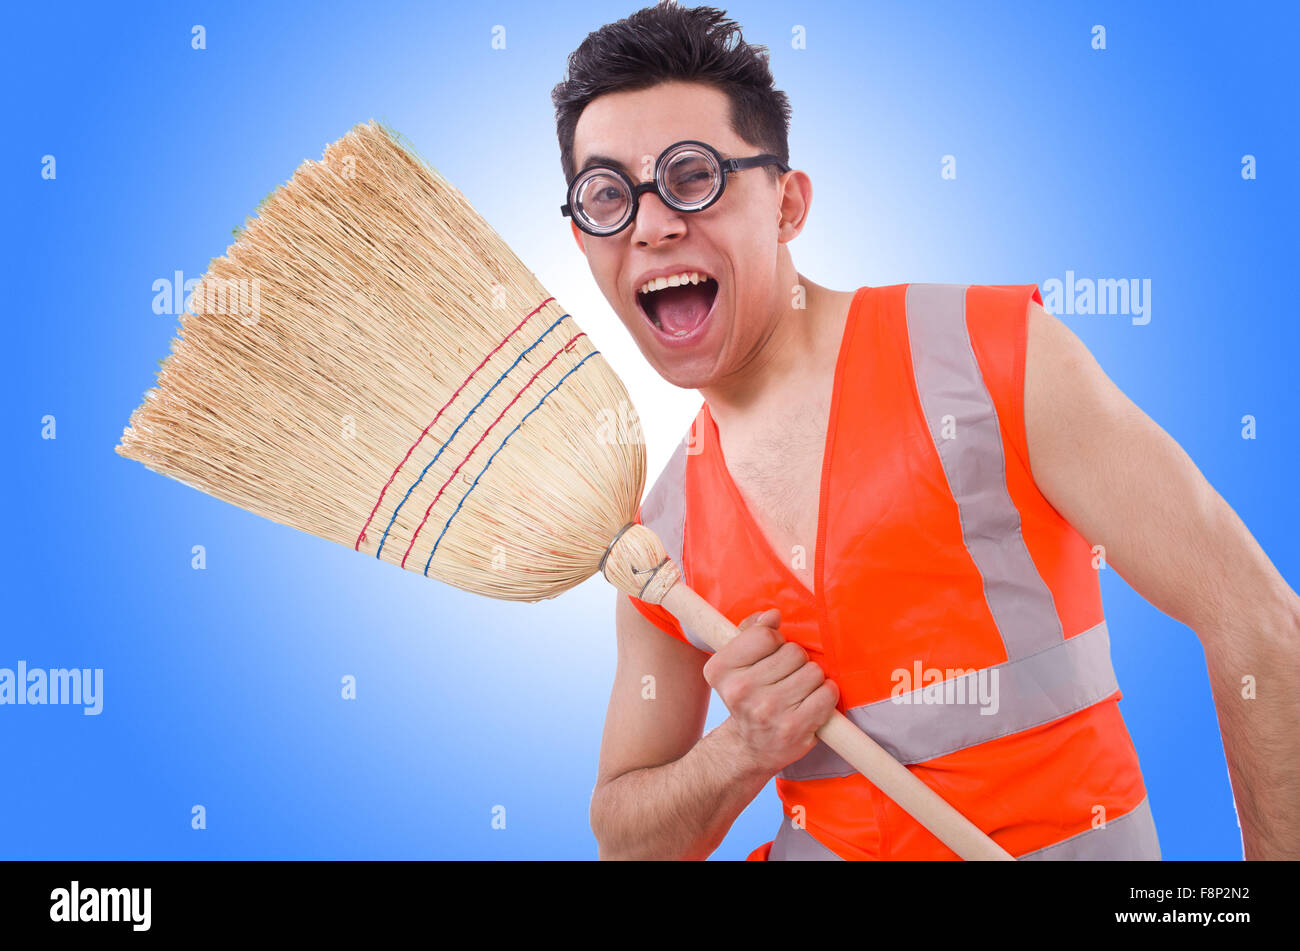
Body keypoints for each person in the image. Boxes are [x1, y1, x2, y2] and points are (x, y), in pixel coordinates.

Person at [550, 0, 1300, 860]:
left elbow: (1261, 624)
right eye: (608, 196)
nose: (652, 225)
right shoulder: (660, 539)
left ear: (789, 203)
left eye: (692, 177)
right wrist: (739, 752)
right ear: (583, 238)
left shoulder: (989, 359)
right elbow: (627, 842)